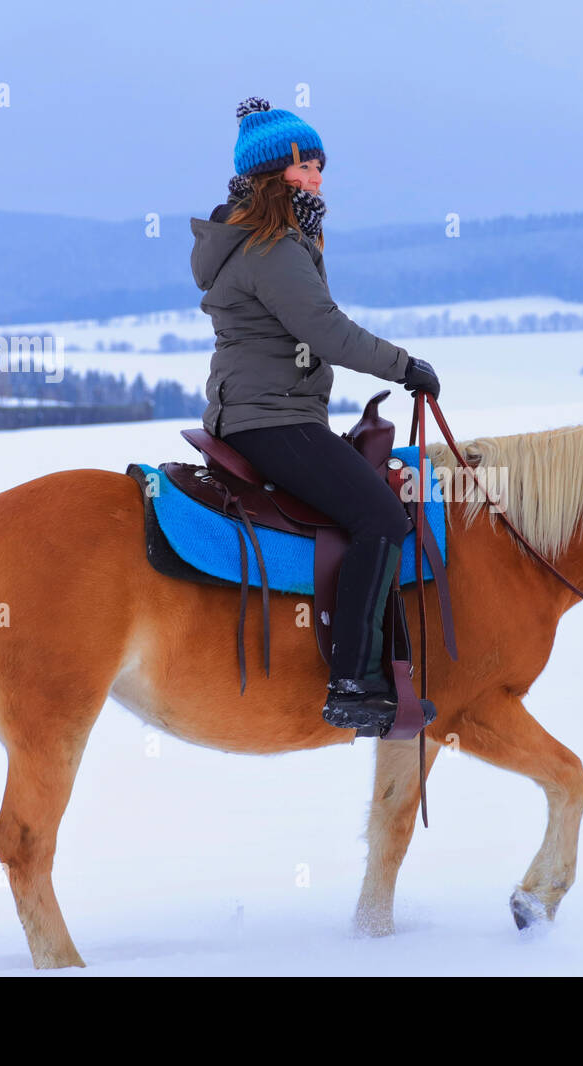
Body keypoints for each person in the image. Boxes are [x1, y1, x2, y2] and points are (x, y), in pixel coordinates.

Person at [189, 96, 440, 733]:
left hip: (271, 413)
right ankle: (354, 680)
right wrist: (405, 366)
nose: (319, 178)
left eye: (321, 166)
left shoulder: (268, 242)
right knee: (380, 515)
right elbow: (325, 330)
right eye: (307, 167)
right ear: (276, 176)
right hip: (270, 420)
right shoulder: (272, 250)